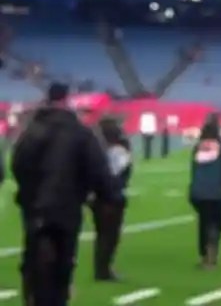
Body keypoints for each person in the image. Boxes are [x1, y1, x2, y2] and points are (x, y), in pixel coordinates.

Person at [12, 83, 117, 306]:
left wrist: (28, 193)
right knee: (62, 262)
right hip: (67, 207)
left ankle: (31, 296)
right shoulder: (80, 132)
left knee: (33, 256)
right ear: (67, 99)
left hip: (35, 207)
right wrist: (103, 194)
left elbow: (18, 164)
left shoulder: (32, 131)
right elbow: (98, 169)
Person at [91, 117, 132, 282]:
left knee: (101, 234)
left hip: (97, 197)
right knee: (110, 235)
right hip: (112, 197)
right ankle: (104, 269)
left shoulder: (95, 148)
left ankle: (101, 268)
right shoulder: (119, 151)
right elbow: (118, 173)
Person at [190, 115, 221, 269]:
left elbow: (194, 170)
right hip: (217, 192)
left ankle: (204, 256)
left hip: (199, 192)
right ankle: (211, 255)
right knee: (215, 224)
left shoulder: (198, 147)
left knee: (203, 223)